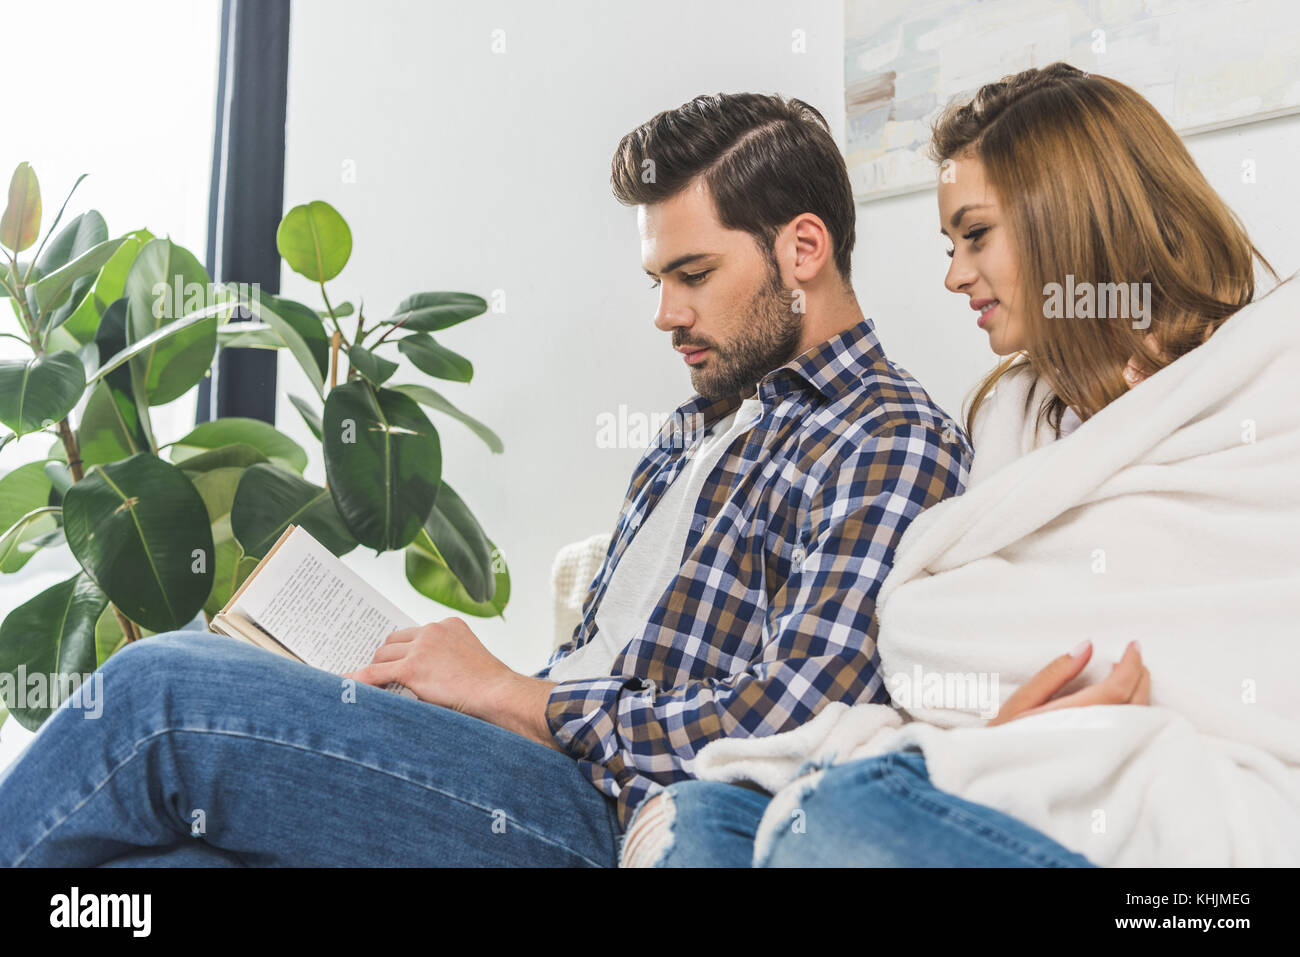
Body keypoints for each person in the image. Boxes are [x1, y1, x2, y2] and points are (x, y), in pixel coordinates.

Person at [0, 93, 972, 867]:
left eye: (692, 272)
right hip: (537, 764)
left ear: (802, 249)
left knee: (157, 691)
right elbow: (606, 668)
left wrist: (513, 695)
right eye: (655, 280)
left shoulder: (885, 438)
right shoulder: (693, 431)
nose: (665, 313)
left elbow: (798, 723)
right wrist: (455, 691)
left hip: (615, 819)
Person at [620, 62, 1300, 869]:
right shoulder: (1022, 412)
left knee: (840, 813)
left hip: (1192, 796)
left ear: (1066, 211)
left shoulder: (1262, 383)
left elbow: (1234, 640)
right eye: (951, 244)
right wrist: (1003, 735)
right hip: (1009, 761)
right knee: (709, 818)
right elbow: (943, 629)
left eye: (976, 235)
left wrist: (1055, 742)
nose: (953, 274)